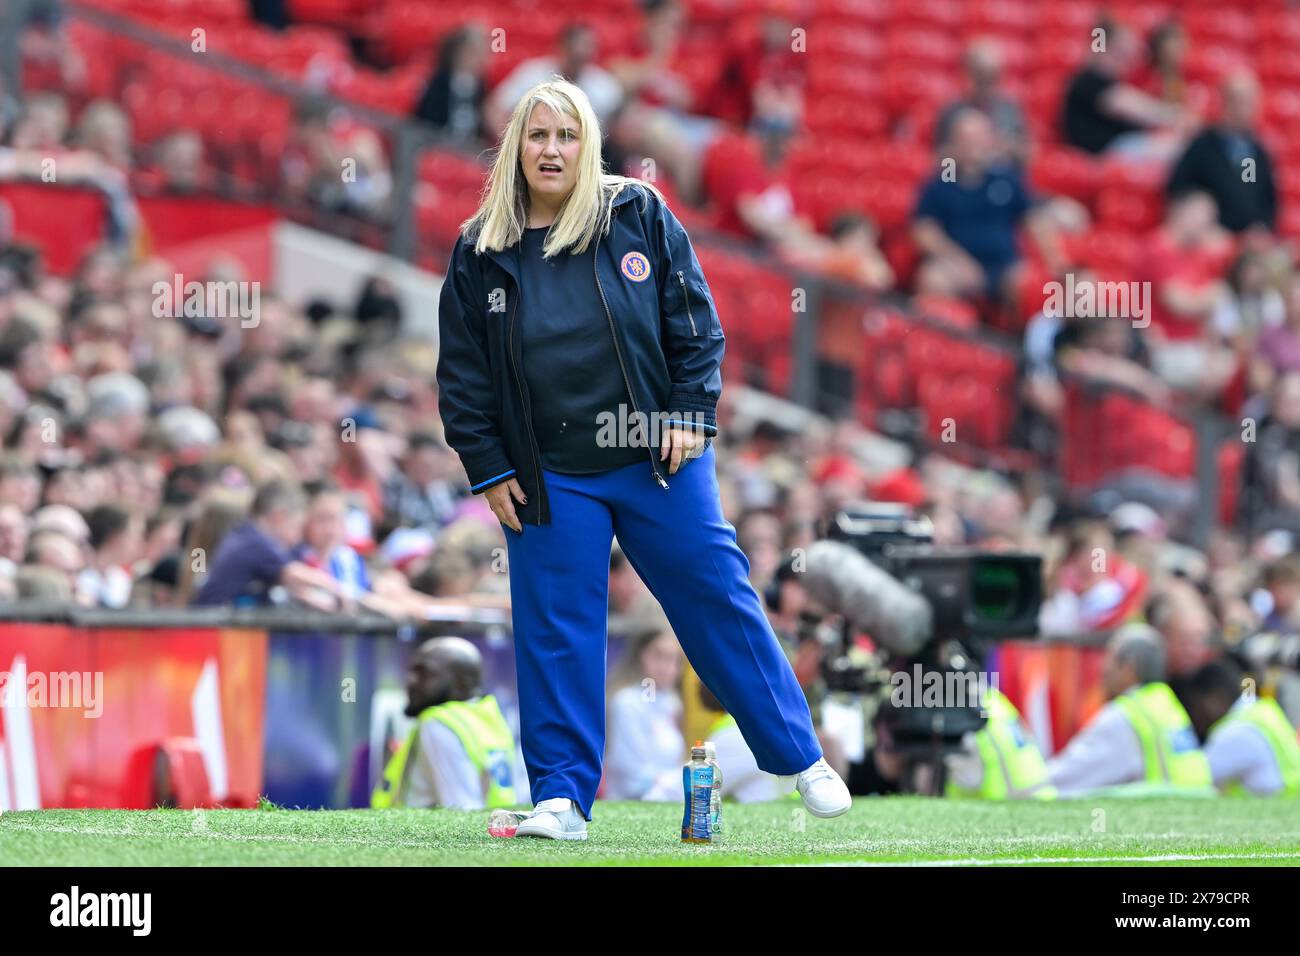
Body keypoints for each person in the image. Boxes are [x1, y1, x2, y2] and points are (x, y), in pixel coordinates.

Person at [435, 78, 849, 840]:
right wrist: (488, 466)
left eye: (566, 135)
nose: (551, 150)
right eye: (538, 136)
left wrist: (692, 412)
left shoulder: (638, 212)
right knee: (557, 626)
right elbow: (462, 375)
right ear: (515, 147)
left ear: (587, 142)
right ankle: (561, 800)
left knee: (715, 593)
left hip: (655, 452)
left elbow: (696, 324)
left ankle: (799, 758)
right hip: (547, 469)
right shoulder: (479, 246)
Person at [1044, 623, 1213, 796]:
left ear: (1128, 668)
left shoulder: (1125, 716)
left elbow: (1065, 777)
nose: (1103, 670)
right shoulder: (1167, 705)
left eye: (1109, 658)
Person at [371, 637, 520, 810]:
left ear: (461, 685)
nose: (411, 682)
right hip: (498, 825)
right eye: (412, 672)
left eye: (425, 674)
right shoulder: (488, 716)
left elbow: (462, 809)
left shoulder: (438, 723)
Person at [1167, 70, 1277, 235]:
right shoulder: (1203, 146)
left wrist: (1260, 226)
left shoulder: (1254, 151)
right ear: (1227, 102)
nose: (1250, 108)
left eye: (1252, 101)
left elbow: (1259, 195)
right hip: (1209, 237)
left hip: (1247, 241)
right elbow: (1180, 189)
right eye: (1243, 101)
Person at [1182, 657, 1300, 797]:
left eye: (1197, 706)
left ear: (1216, 698)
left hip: (1277, 807)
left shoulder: (1235, 732)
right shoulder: (1261, 711)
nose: (1195, 716)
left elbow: (1193, 781)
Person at [602, 625, 686, 801]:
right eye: (658, 656)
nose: (666, 667)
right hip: (629, 803)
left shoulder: (671, 703)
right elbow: (630, 771)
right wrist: (676, 783)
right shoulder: (626, 702)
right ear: (640, 656)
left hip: (665, 799)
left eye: (674, 659)